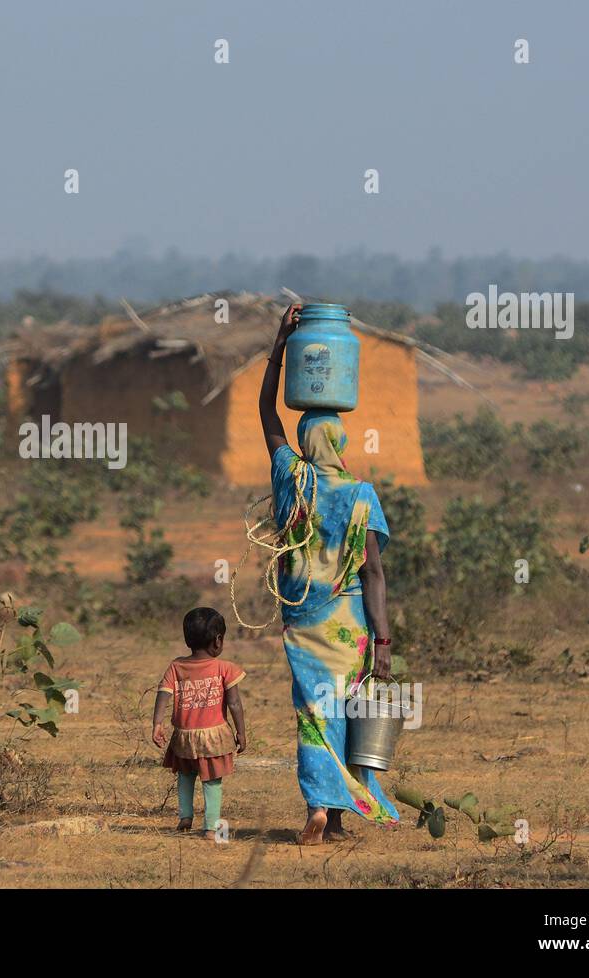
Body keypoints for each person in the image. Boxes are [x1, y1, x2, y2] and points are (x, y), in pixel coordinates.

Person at [258, 303, 399, 845]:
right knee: (346, 711)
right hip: (350, 627)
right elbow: (377, 576)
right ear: (340, 443)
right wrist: (382, 640)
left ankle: (321, 806)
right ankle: (335, 816)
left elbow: (267, 415)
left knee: (314, 714)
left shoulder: (292, 478)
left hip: (303, 626)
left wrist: (279, 344)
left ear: (306, 441)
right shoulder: (360, 495)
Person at [151, 607, 247, 840]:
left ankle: (185, 816)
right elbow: (234, 704)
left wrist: (157, 724)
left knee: (185, 775)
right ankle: (211, 827)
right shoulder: (225, 668)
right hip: (214, 737)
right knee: (212, 781)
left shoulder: (176, 666)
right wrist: (241, 733)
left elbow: (163, 694)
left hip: (184, 735)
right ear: (218, 640)